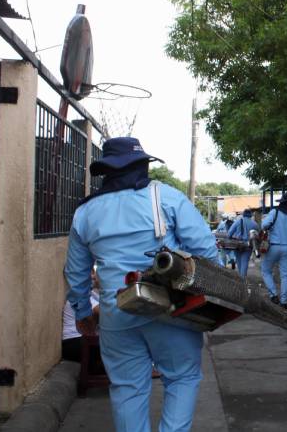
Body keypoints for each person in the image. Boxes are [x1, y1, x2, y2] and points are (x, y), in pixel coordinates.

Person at [64, 137, 219, 432]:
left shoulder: (85, 212)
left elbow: (76, 272)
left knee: (126, 389)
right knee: (182, 377)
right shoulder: (166, 197)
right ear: (142, 165)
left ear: (107, 170)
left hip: (116, 313)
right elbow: (207, 251)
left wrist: (83, 312)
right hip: (171, 311)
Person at [228, 208, 259, 278]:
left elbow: (229, 233)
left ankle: (240, 279)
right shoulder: (254, 224)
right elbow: (258, 236)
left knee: (239, 262)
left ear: (243, 215)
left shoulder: (238, 221)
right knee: (245, 262)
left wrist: (231, 238)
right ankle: (243, 279)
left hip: (237, 244)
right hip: (248, 245)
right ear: (251, 215)